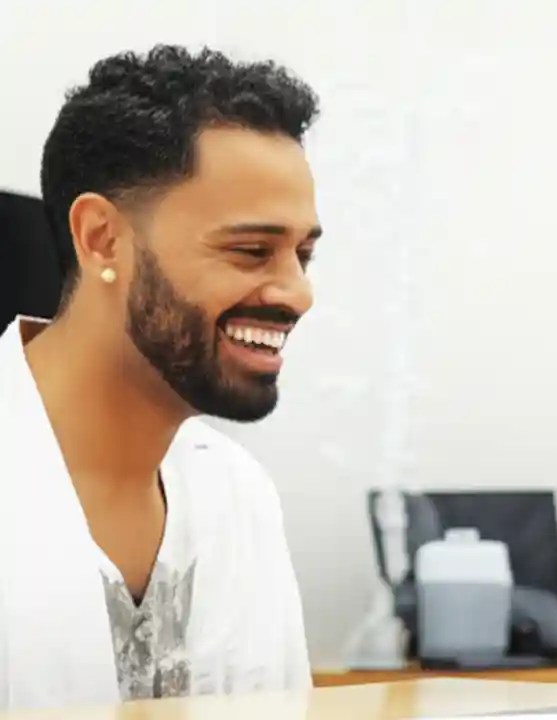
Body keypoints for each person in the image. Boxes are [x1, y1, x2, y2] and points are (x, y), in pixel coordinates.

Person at [0, 45, 322, 711]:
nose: (297, 293)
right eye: (252, 251)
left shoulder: (240, 499)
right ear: (101, 239)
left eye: (304, 254)